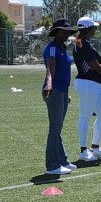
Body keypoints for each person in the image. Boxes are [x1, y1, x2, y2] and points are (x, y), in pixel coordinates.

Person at [73, 16, 101, 162]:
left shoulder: (85, 43)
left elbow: (93, 64)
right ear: (88, 29)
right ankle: (83, 151)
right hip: (86, 82)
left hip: (94, 82)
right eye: (94, 28)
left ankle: (95, 148)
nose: (95, 30)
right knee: (85, 116)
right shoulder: (82, 44)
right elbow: (93, 65)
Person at [42, 19, 78, 175]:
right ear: (56, 32)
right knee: (55, 129)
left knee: (57, 129)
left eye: (68, 32)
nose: (66, 34)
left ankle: (63, 161)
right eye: (63, 31)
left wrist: (66, 94)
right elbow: (50, 69)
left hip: (62, 92)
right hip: (54, 91)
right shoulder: (52, 49)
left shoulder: (63, 48)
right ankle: (52, 166)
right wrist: (49, 84)